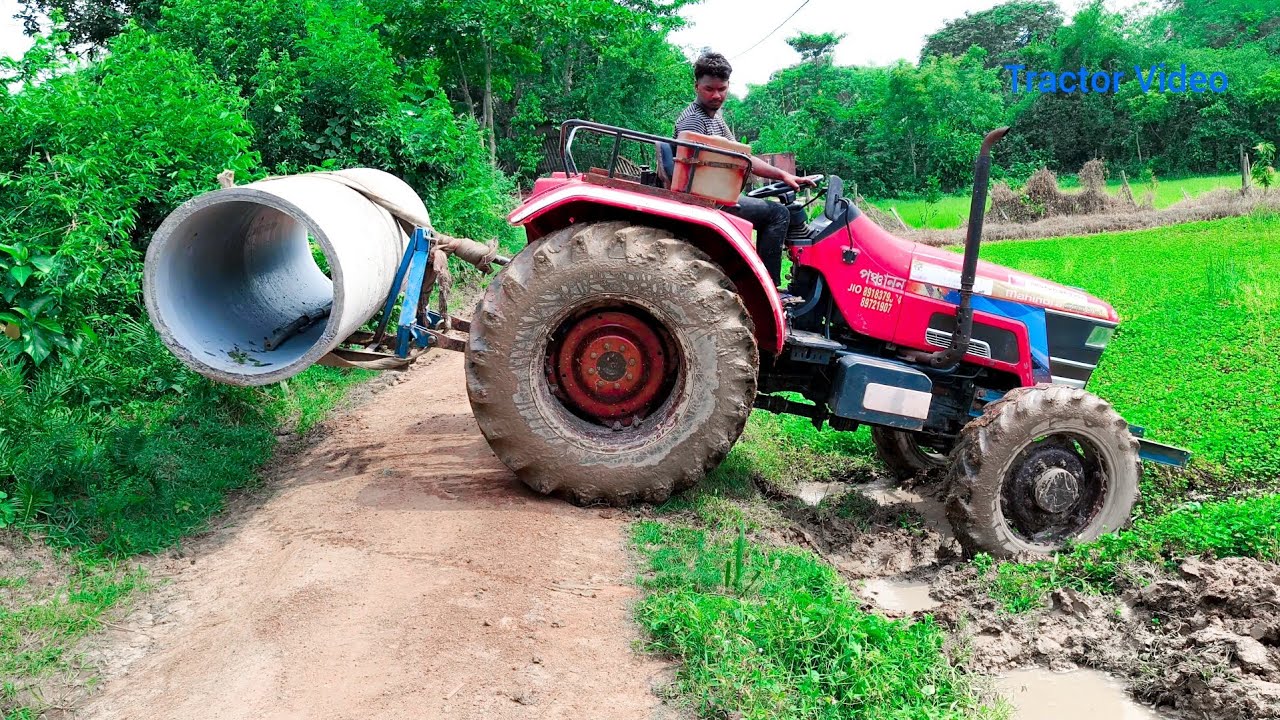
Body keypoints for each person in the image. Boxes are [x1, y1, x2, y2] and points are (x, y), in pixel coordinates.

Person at [673, 51, 818, 295]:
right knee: (778, 214)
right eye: (709, 89)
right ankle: (768, 290)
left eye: (722, 89)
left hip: (713, 194)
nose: (716, 95)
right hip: (704, 199)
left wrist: (783, 175)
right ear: (697, 86)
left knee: (773, 209)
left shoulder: (714, 117)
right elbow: (707, 170)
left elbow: (743, 159)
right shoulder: (693, 122)